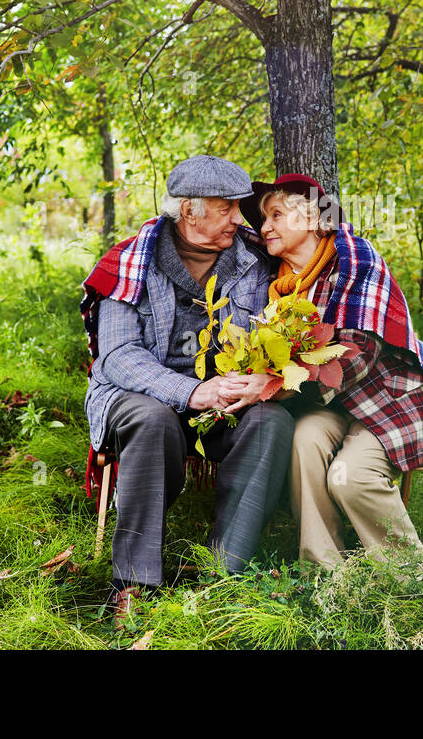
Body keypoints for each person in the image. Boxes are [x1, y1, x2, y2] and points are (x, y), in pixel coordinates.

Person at [80, 155, 293, 618]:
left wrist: (255, 378)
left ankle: (223, 576)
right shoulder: (130, 261)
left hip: (222, 398)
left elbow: (267, 332)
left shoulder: (252, 260)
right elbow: (118, 356)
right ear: (189, 211)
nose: (241, 218)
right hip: (142, 396)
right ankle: (134, 584)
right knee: (151, 418)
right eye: (227, 208)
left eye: (241, 207)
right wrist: (192, 392)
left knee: (270, 420)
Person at [240, 173, 423, 568]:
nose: (265, 227)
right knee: (303, 442)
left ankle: (411, 580)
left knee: (349, 478)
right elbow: (224, 238)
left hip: (385, 397)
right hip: (326, 404)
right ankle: (325, 574)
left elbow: (356, 357)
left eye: (276, 215)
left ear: (310, 218)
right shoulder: (278, 285)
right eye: (263, 219)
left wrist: (276, 388)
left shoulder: (356, 261)